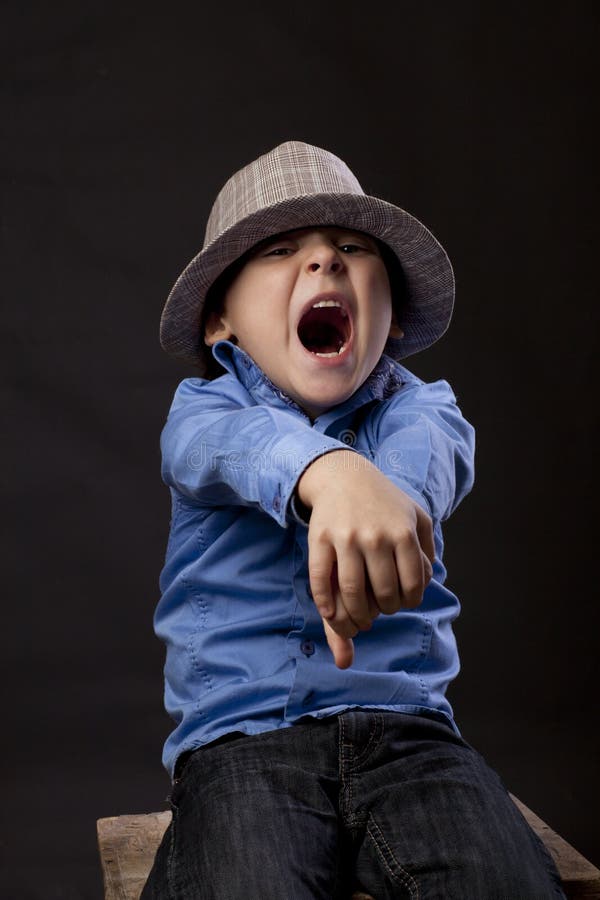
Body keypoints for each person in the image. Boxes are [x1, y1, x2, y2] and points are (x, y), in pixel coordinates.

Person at [142, 141, 564, 899]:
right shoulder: (204, 411)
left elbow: (423, 467)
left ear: (392, 314)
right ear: (220, 323)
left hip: (412, 737)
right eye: (280, 250)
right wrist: (327, 473)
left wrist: (377, 496)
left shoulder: (423, 411)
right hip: (243, 743)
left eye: (350, 249)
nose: (323, 264)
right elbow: (226, 448)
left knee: (503, 881)